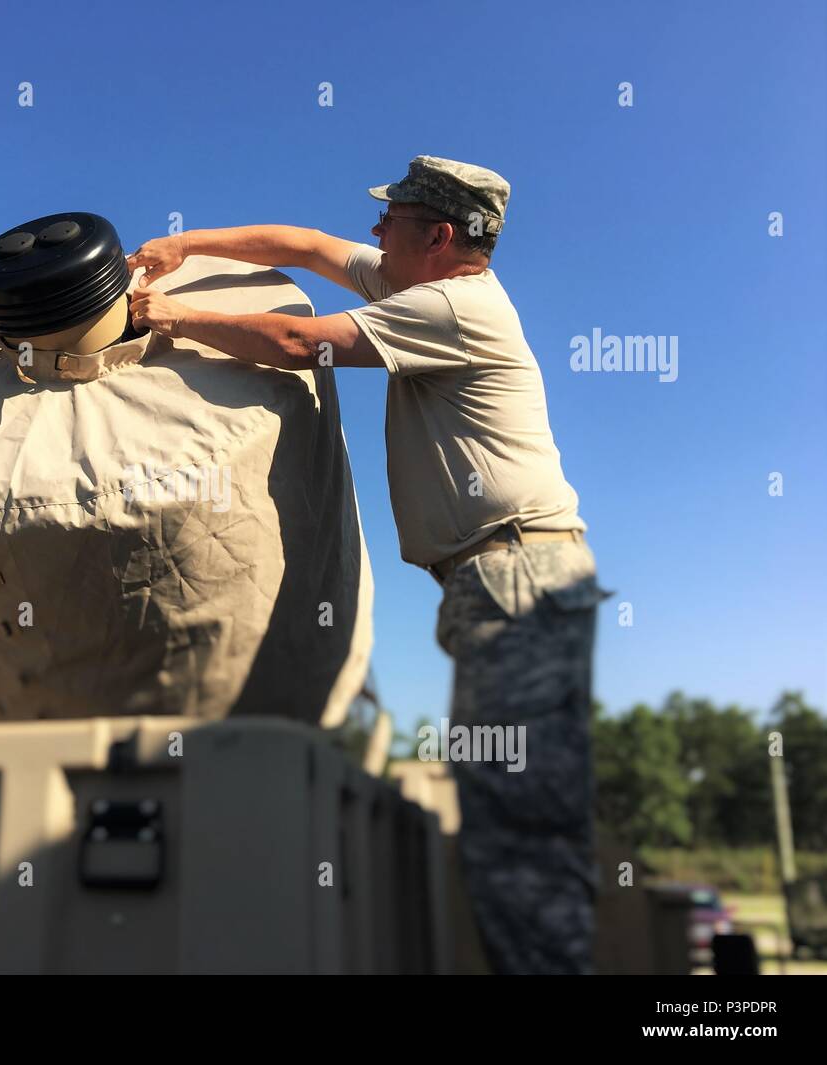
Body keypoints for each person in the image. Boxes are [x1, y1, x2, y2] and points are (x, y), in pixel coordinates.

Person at [127, 157, 610, 974]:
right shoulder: (414, 284)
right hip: (504, 581)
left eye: (392, 219)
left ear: (439, 236)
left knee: (517, 824)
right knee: (506, 810)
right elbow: (308, 246)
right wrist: (188, 243)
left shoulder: (455, 306)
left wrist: (169, 317)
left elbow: (296, 340)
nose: (376, 231)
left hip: (518, 579)